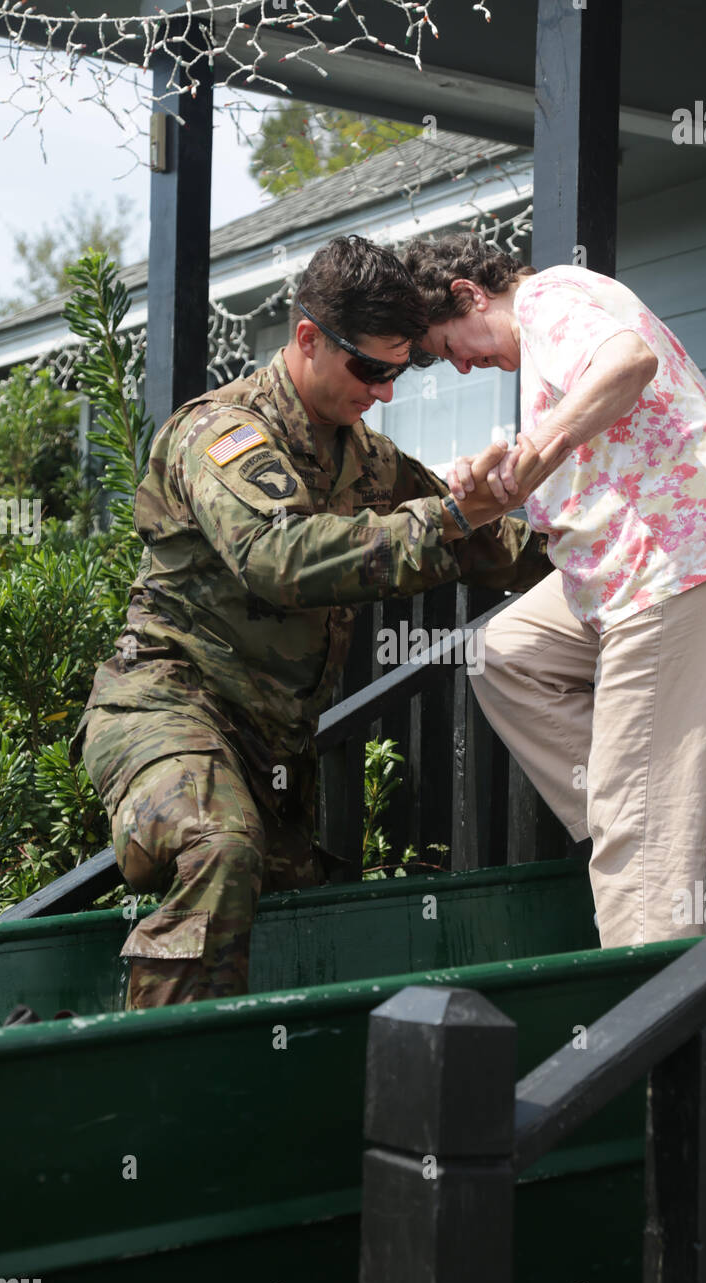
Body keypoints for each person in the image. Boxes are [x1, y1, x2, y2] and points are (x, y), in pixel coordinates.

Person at [69, 235, 561, 1010]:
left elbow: (479, 541)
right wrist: (449, 519)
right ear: (307, 339)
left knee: (296, 934)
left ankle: (246, 1094)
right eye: (370, 369)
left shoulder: (366, 460)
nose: (386, 392)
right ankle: (154, 1093)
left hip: (273, 749)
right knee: (218, 849)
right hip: (166, 706)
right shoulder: (222, 435)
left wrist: (600, 569)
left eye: (398, 371)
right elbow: (278, 556)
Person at [401, 233, 706, 949]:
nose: (460, 365)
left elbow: (628, 361)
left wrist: (535, 451)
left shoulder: (552, 297)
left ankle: (651, 1029)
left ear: (467, 293)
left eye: (450, 345)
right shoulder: (546, 337)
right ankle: (657, 819)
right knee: (506, 653)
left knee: (634, 815)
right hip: (637, 559)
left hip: (673, 552)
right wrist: (477, 490)